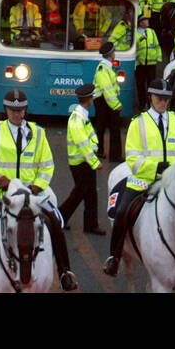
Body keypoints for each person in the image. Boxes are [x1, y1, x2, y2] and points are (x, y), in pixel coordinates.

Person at [0, 89, 77, 292]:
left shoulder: (38, 133)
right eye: (13, 110)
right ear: (6, 110)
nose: (17, 114)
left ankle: (65, 271)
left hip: (31, 194)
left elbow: (47, 165)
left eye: (20, 110)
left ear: (25, 110)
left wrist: (37, 186)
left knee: (55, 223)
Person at [104, 78, 175, 275]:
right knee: (122, 213)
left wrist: (174, 169)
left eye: (167, 99)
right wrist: (155, 168)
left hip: (173, 181)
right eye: (159, 98)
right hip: (143, 180)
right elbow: (133, 158)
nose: (163, 102)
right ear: (151, 97)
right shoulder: (138, 123)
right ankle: (114, 257)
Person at [57, 84, 103, 236]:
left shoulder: (82, 115)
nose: (93, 100)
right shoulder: (78, 118)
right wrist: (95, 162)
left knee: (89, 194)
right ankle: (59, 218)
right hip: (82, 163)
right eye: (92, 97)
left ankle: (90, 224)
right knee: (79, 195)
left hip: (83, 162)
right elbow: (82, 143)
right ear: (88, 99)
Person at [92, 40, 125, 162]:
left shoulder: (105, 67)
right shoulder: (103, 69)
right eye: (114, 52)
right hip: (104, 101)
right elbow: (107, 90)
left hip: (102, 101)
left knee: (101, 126)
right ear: (111, 54)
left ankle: (100, 151)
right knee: (114, 128)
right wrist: (116, 105)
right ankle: (114, 156)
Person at [134, 12, 161, 107]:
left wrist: (159, 57)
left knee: (151, 85)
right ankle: (142, 104)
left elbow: (157, 45)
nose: (147, 21)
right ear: (140, 23)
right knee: (140, 85)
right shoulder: (135, 33)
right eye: (145, 20)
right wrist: (139, 40)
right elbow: (133, 47)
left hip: (151, 63)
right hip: (140, 64)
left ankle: (151, 103)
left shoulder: (152, 32)